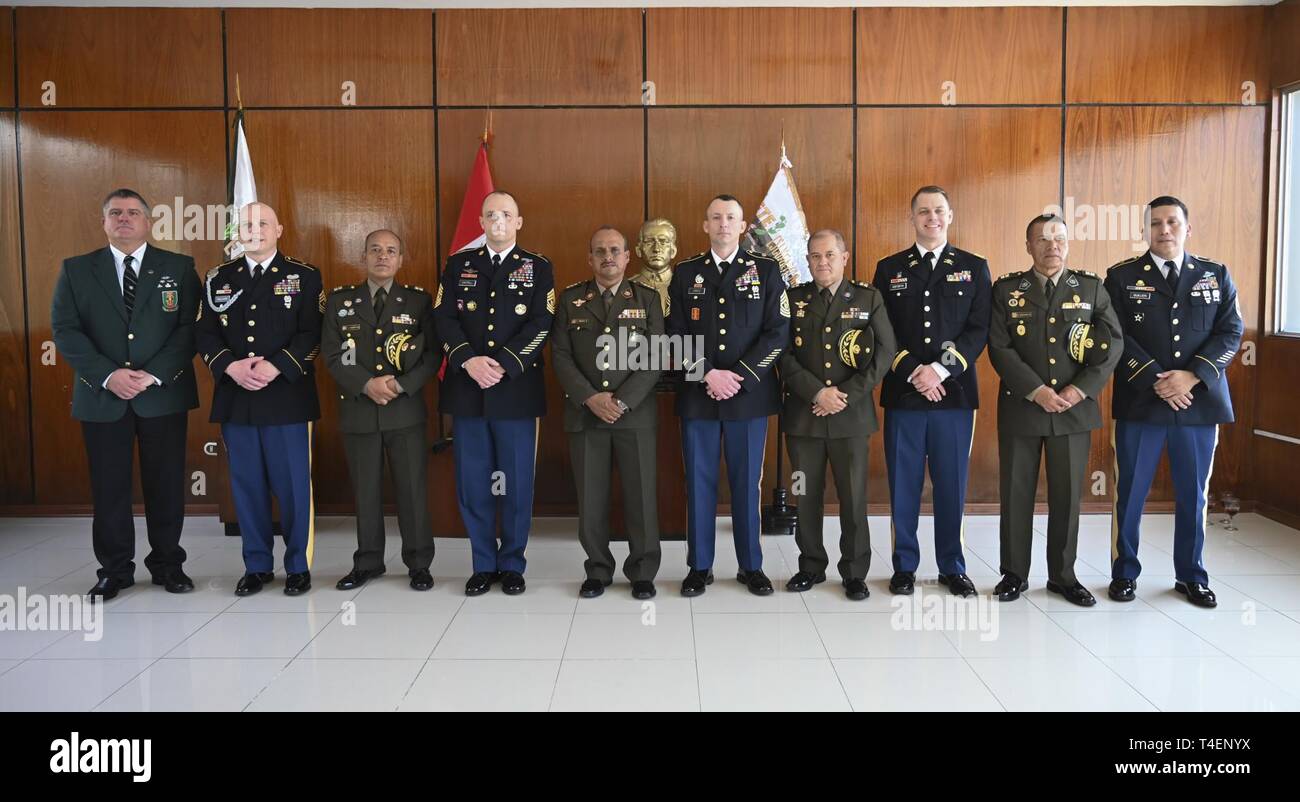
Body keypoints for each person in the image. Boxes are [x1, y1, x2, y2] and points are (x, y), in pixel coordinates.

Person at [51, 188, 200, 601]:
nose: (124, 219)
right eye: (115, 213)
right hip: (103, 398)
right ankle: (114, 571)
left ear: (148, 221)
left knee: (166, 485)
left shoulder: (179, 267)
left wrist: (151, 375)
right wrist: (108, 375)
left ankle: (169, 566)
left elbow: (190, 328)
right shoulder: (78, 269)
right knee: (109, 488)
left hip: (162, 395)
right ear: (103, 222)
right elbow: (66, 330)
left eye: (133, 212)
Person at [1103, 196, 1243, 608]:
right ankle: (1124, 572)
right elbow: (1115, 335)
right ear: (1145, 231)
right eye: (1157, 223)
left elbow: (1231, 331)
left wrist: (1193, 376)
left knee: (1193, 493)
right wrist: (1154, 379)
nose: (1165, 230)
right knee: (1129, 492)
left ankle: (1191, 575)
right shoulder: (1122, 277)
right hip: (1141, 403)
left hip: (1198, 404)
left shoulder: (1215, 275)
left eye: (1173, 223)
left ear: (1187, 228)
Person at [987, 214, 1121, 605]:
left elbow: (1112, 343)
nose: (1052, 246)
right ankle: (1013, 574)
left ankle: (1063, 576)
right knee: (1016, 495)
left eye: (1059, 238)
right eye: (1043, 239)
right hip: (1023, 408)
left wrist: (1080, 390)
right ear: (1028, 245)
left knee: (1066, 497)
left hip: (1072, 410)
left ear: (1068, 243)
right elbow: (999, 346)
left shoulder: (1092, 288)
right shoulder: (1007, 290)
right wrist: (1035, 390)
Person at [196, 202, 323, 597]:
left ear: (279, 229)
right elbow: (204, 333)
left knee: (293, 488)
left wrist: (278, 366)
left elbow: (313, 333)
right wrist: (229, 367)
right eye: (247, 224)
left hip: (286, 396)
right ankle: (256, 565)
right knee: (247, 486)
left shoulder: (303, 276)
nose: (255, 230)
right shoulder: (219, 277)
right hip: (238, 398)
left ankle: (298, 565)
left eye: (263, 223)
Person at [666, 194, 790, 597]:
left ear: (742, 227)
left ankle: (750, 566)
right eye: (715, 217)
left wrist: (738, 376)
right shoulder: (685, 274)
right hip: (699, 396)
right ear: (705, 226)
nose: (723, 224)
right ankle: (699, 567)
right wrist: (706, 374)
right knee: (699, 483)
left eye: (731, 218)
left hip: (748, 396)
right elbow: (673, 334)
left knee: (746, 483)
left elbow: (778, 332)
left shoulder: (767, 272)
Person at [433, 190, 555, 597]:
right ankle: (483, 563)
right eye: (490, 214)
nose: (498, 220)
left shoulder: (538, 267)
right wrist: (468, 360)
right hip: (468, 389)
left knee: (517, 483)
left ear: (519, 222)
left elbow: (542, 322)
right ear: (481, 223)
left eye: (506, 214)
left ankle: (514, 563)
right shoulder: (458, 265)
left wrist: (504, 362)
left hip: (515, 390)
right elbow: (443, 317)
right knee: (474, 482)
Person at [872, 185, 991, 597]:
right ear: (912, 218)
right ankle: (904, 565)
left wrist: (941, 370)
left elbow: (978, 331)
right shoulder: (889, 269)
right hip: (904, 395)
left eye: (939, 210)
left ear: (950, 215)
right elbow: (880, 330)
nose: (932, 217)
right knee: (903, 483)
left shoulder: (975, 268)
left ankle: (951, 565)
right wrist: (913, 371)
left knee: (951, 484)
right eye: (923, 211)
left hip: (954, 396)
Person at [779, 229, 896, 600]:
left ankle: (855, 571)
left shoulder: (868, 297)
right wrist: (817, 392)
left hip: (850, 416)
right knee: (805, 493)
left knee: (853, 496)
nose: (822, 262)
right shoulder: (792, 299)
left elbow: (885, 352)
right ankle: (810, 565)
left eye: (830, 254)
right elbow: (782, 354)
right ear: (807, 260)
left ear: (844, 257)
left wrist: (842, 395)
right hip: (804, 416)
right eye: (815, 256)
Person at [552, 226, 664, 599]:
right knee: (592, 496)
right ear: (590, 259)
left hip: (635, 414)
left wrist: (622, 400)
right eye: (599, 251)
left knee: (641, 496)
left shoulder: (646, 299)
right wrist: (590, 398)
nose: (607, 257)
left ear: (628, 256)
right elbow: (561, 356)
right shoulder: (570, 300)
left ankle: (643, 571)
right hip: (586, 414)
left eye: (615, 250)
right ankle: (597, 570)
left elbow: (656, 354)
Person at [323, 229, 436, 593]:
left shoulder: (418, 302)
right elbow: (333, 354)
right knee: (365, 492)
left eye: (390, 251)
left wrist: (400, 385)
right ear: (364, 257)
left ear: (401, 259)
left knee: (412, 492)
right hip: (359, 410)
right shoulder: (340, 302)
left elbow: (433, 355)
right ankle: (368, 562)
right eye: (375, 250)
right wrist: (365, 384)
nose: (382, 256)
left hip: (404, 411)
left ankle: (419, 563)